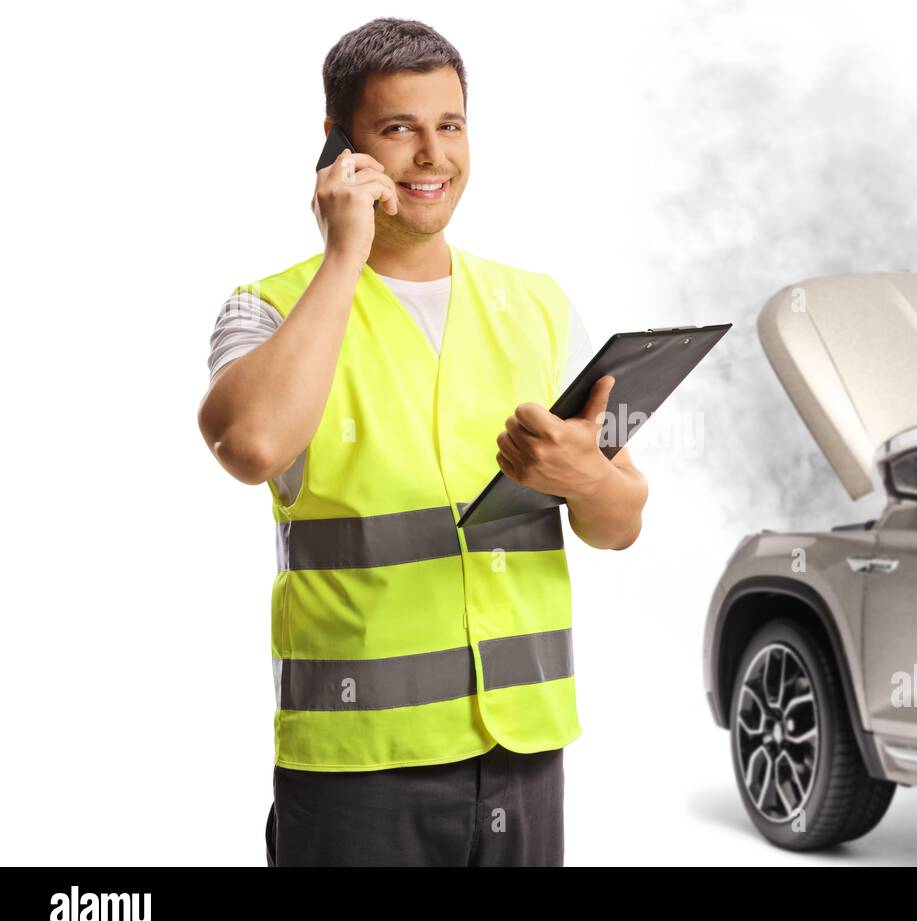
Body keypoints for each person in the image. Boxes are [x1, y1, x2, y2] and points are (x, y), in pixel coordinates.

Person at [196, 17, 648, 867]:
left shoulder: (540, 305)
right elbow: (250, 444)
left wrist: (585, 479)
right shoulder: (266, 309)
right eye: (398, 129)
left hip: (523, 754)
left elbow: (622, 522)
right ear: (339, 147)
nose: (432, 156)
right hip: (357, 768)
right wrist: (344, 257)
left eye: (451, 126)